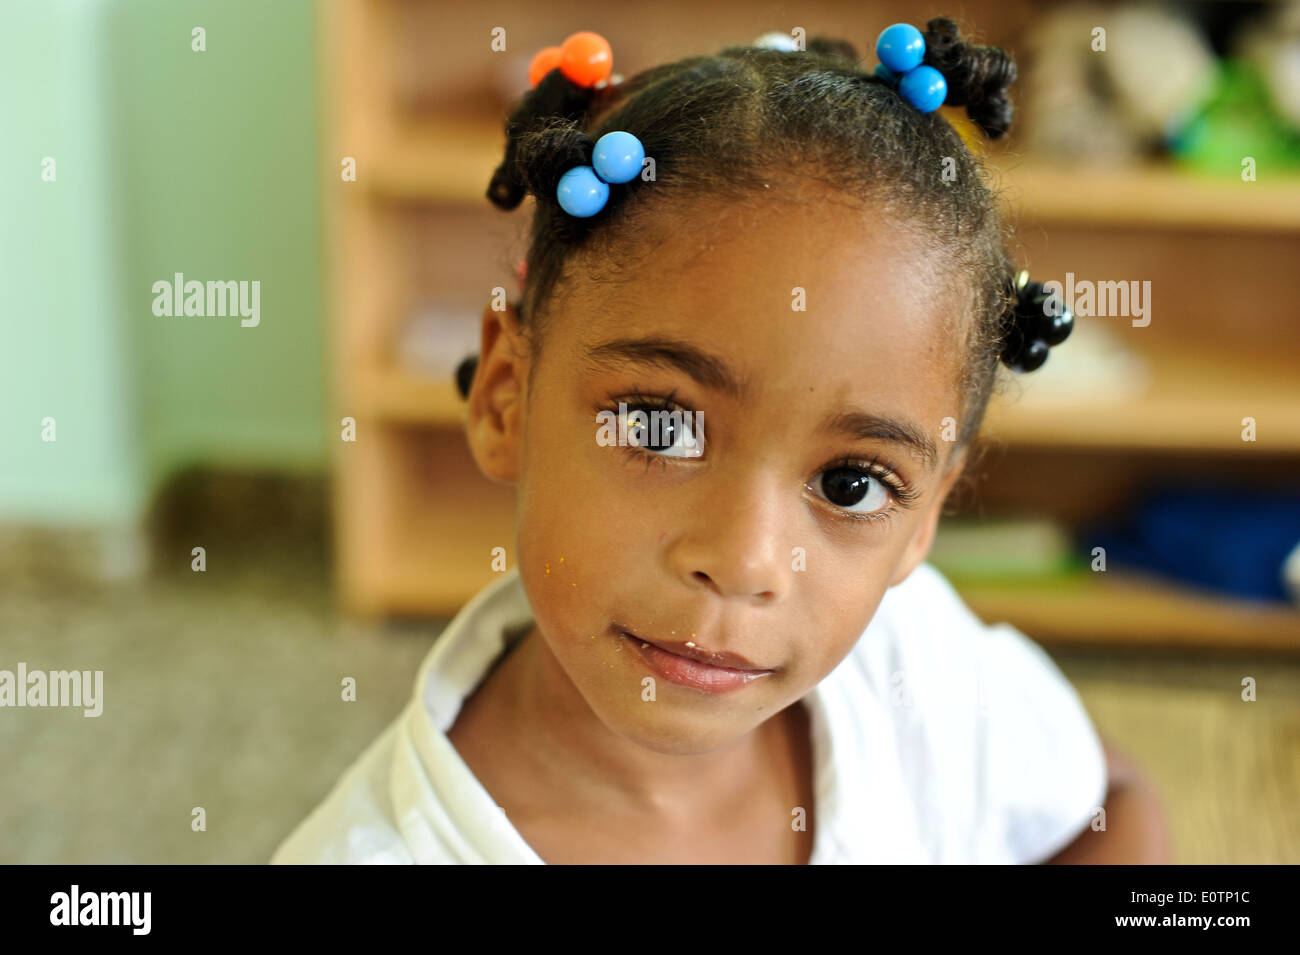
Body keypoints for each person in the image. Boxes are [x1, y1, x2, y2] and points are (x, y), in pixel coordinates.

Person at [273, 18, 1169, 864]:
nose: (743, 560)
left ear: (927, 515)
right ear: (507, 395)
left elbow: (1113, 798)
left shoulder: (914, 661)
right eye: (661, 426)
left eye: (853, 484)